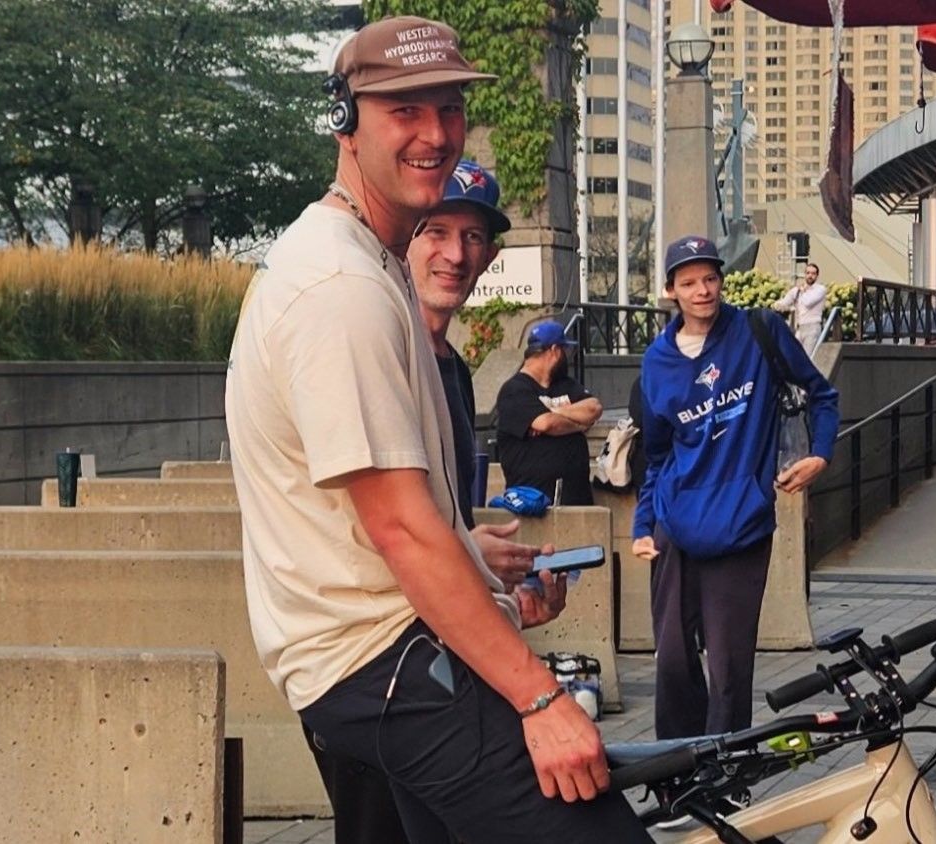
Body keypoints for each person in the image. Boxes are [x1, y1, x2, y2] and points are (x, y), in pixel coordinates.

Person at [225, 17, 651, 844]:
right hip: (385, 661)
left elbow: (381, 513)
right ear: (345, 119)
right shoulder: (339, 288)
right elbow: (398, 528)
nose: (435, 134)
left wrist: (464, 547)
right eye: (404, 111)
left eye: (449, 108)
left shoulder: (357, 261)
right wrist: (540, 697)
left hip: (367, 661)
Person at [631, 235, 839, 741]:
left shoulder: (758, 330)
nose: (702, 290)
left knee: (729, 669)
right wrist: (643, 526)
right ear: (670, 292)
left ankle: (725, 775)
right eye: (689, 282)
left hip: (741, 523)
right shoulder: (657, 361)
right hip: (675, 526)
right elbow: (657, 455)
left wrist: (820, 455)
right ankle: (679, 773)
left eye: (710, 278)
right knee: (673, 663)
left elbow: (822, 394)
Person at [496, 321, 603, 505]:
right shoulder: (514, 390)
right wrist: (579, 424)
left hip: (575, 498)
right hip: (533, 501)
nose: (568, 357)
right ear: (554, 350)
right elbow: (547, 424)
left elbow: (593, 408)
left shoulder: (566, 384)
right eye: (566, 351)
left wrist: (553, 411)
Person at [772, 261, 826, 354]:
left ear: (817, 276)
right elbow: (786, 301)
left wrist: (803, 291)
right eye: (808, 273)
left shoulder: (820, 289)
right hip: (800, 327)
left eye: (813, 273)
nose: (810, 276)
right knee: (795, 353)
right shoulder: (798, 290)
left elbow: (808, 302)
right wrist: (775, 305)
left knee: (807, 357)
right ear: (805, 274)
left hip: (813, 326)